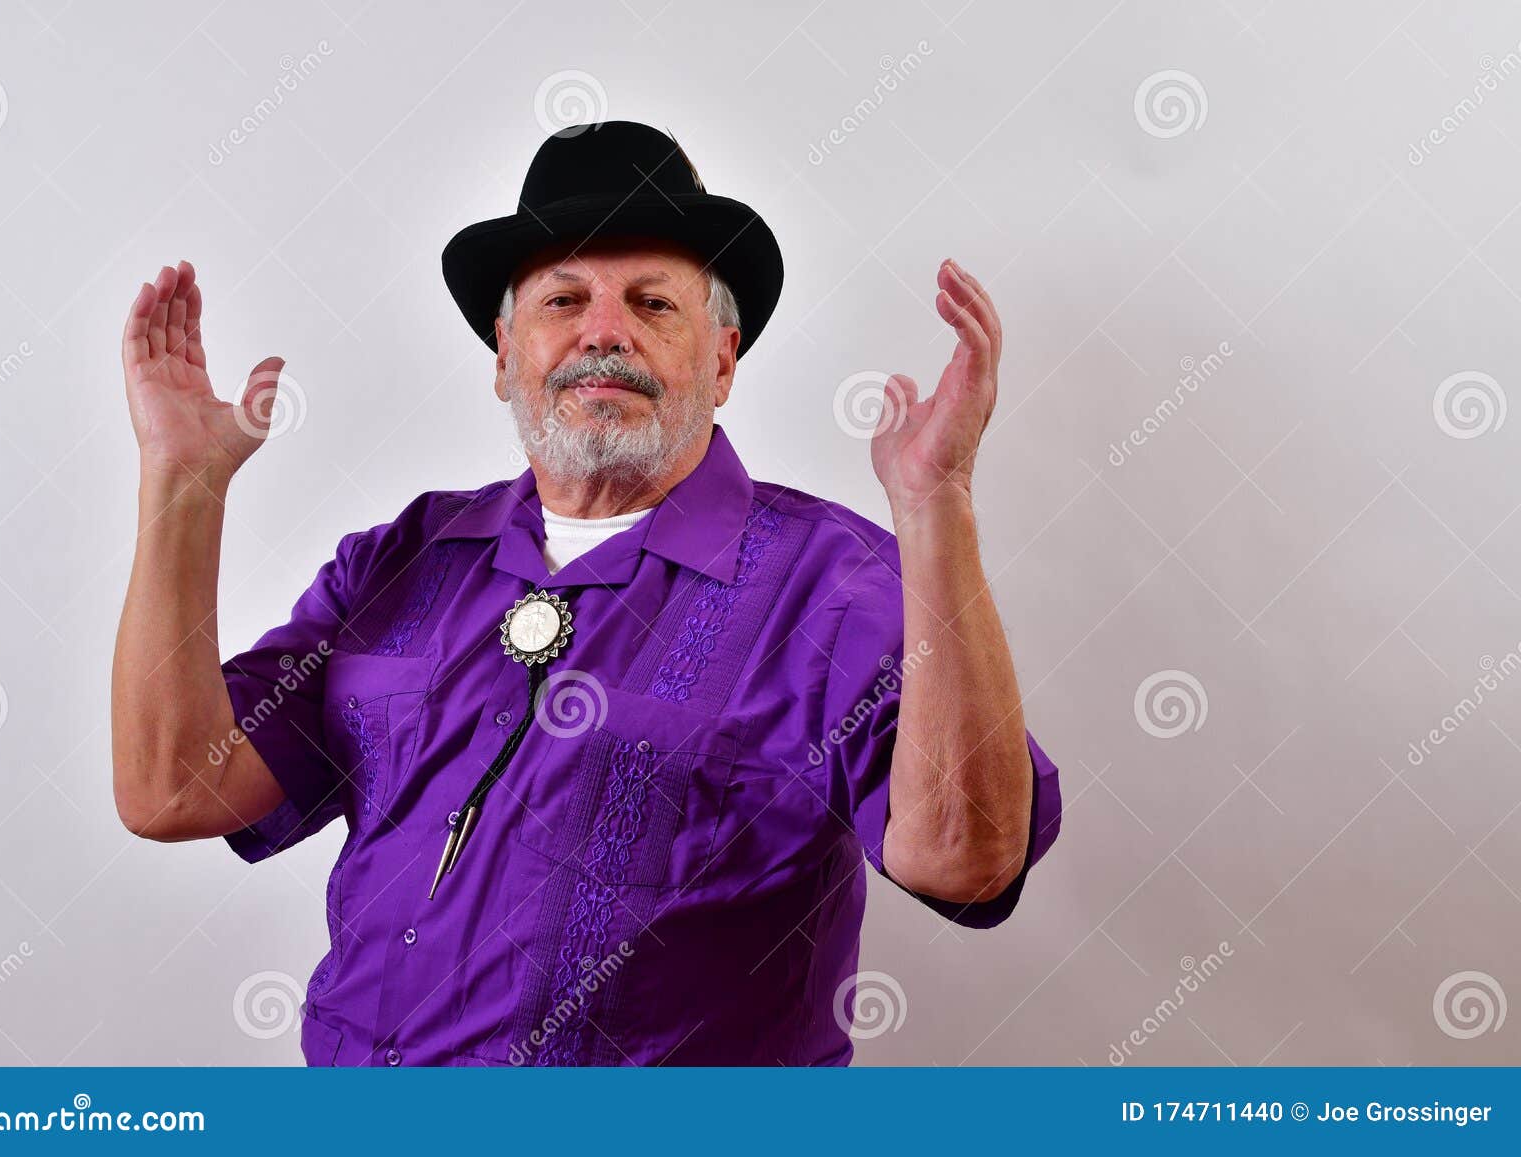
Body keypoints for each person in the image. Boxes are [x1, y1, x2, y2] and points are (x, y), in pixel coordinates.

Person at [110, 120, 1061, 1066]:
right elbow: (172, 789)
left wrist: (935, 509)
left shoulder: (829, 582)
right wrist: (182, 487)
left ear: (722, 361)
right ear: (504, 352)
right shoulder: (404, 557)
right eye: (564, 298)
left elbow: (966, 859)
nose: (604, 332)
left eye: (653, 304)